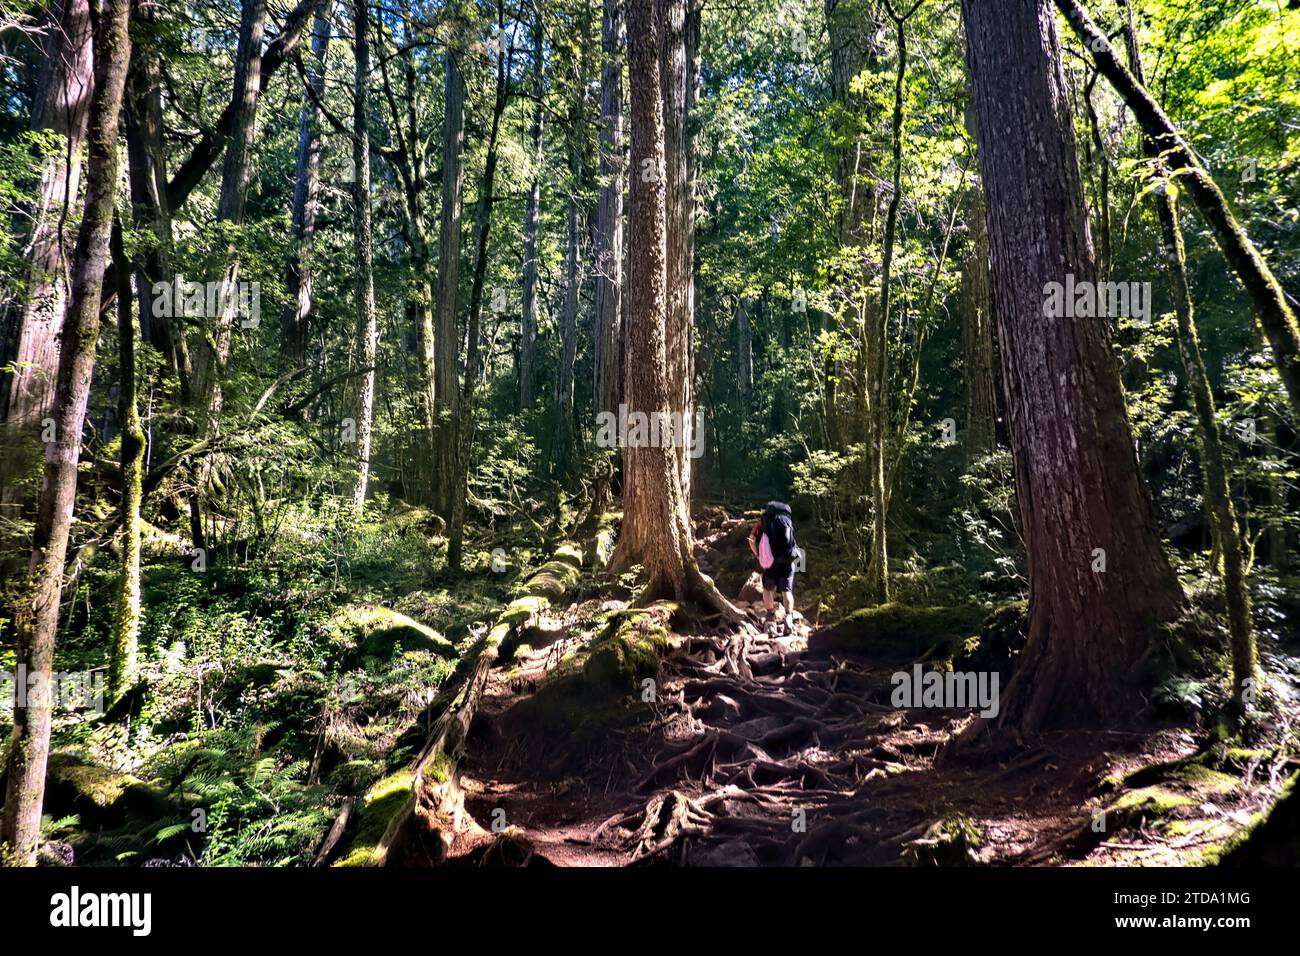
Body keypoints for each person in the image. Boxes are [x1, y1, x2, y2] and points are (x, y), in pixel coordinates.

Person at [748, 500, 798, 633]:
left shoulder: (763, 522)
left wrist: (758, 554)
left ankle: (770, 619)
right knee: (786, 590)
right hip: (787, 560)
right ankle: (788, 617)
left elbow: (751, 539)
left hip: (770, 562)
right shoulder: (787, 520)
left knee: (767, 589)